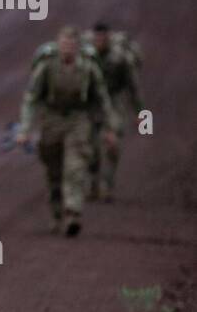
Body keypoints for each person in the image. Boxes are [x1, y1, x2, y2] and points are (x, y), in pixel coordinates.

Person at [14, 26, 118, 236]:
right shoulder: (47, 66)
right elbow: (31, 98)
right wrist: (24, 129)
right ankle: (57, 213)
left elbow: (102, 99)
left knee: (75, 167)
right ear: (58, 45)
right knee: (54, 171)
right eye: (64, 44)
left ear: (77, 47)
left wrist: (110, 128)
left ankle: (73, 213)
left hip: (78, 120)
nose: (67, 49)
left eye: (71, 45)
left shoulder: (88, 68)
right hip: (52, 120)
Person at [87, 22, 144, 202]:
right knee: (91, 147)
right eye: (97, 38)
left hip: (114, 102)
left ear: (109, 38)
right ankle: (93, 184)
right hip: (93, 103)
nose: (100, 41)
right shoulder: (86, 55)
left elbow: (132, 87)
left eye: (103, 38)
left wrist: (140, 113)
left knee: (113, 144)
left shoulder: (120, 58)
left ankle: (107, 186)